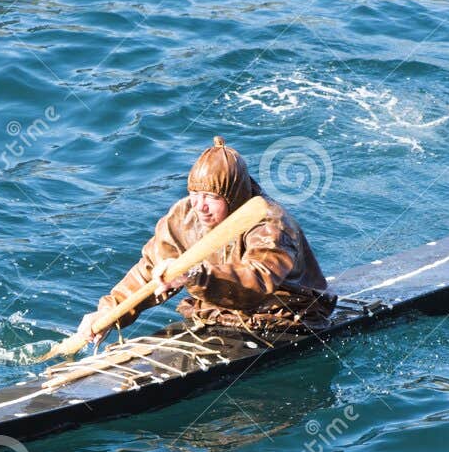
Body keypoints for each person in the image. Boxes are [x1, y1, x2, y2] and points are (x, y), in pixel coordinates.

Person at [76, 137, 335, 343]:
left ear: (234, 198)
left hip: (285, 314)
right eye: (194, 194)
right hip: (219, 312)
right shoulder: (184, 215)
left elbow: (257, 280)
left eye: (211, 197)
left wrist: (195, 276)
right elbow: (149, 271)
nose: (200, 206)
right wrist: (110, 313)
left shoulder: (271, 224)